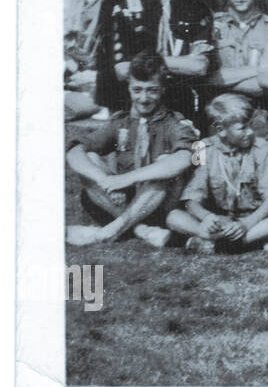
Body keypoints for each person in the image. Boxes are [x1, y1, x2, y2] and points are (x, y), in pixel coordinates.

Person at [65, 51, 199, 246]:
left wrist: (125, 179)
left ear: (163, 89)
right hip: (128, 201)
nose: (143, 98)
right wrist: (104, 179)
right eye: (137, 90)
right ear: (128, 88)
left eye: (151, 90)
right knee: (89, 157)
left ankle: (115, 229)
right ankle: (142, 230)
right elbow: (74, 151)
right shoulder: (121, 121)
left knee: (163, 166)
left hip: (161, 204)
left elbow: (184, 160)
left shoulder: (175, 124)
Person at [161, 93, 268, 253]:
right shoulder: (201, 149)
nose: (250, 132)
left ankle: (215, 244)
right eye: (243, 128)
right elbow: (190, 200)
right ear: (221, 130)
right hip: (219, 222)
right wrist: (206, 217)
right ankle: (250, 243)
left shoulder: (262, 148)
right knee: (174, 217)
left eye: (251, 125)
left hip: (253, 220)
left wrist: (247, 223)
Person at [104, 0, 214, 118]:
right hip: (139, 104)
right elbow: (122, 70)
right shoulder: (125, 8)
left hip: (182, 103)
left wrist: (146, 62)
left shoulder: (195, 9)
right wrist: (179, 63)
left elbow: (199, 66)